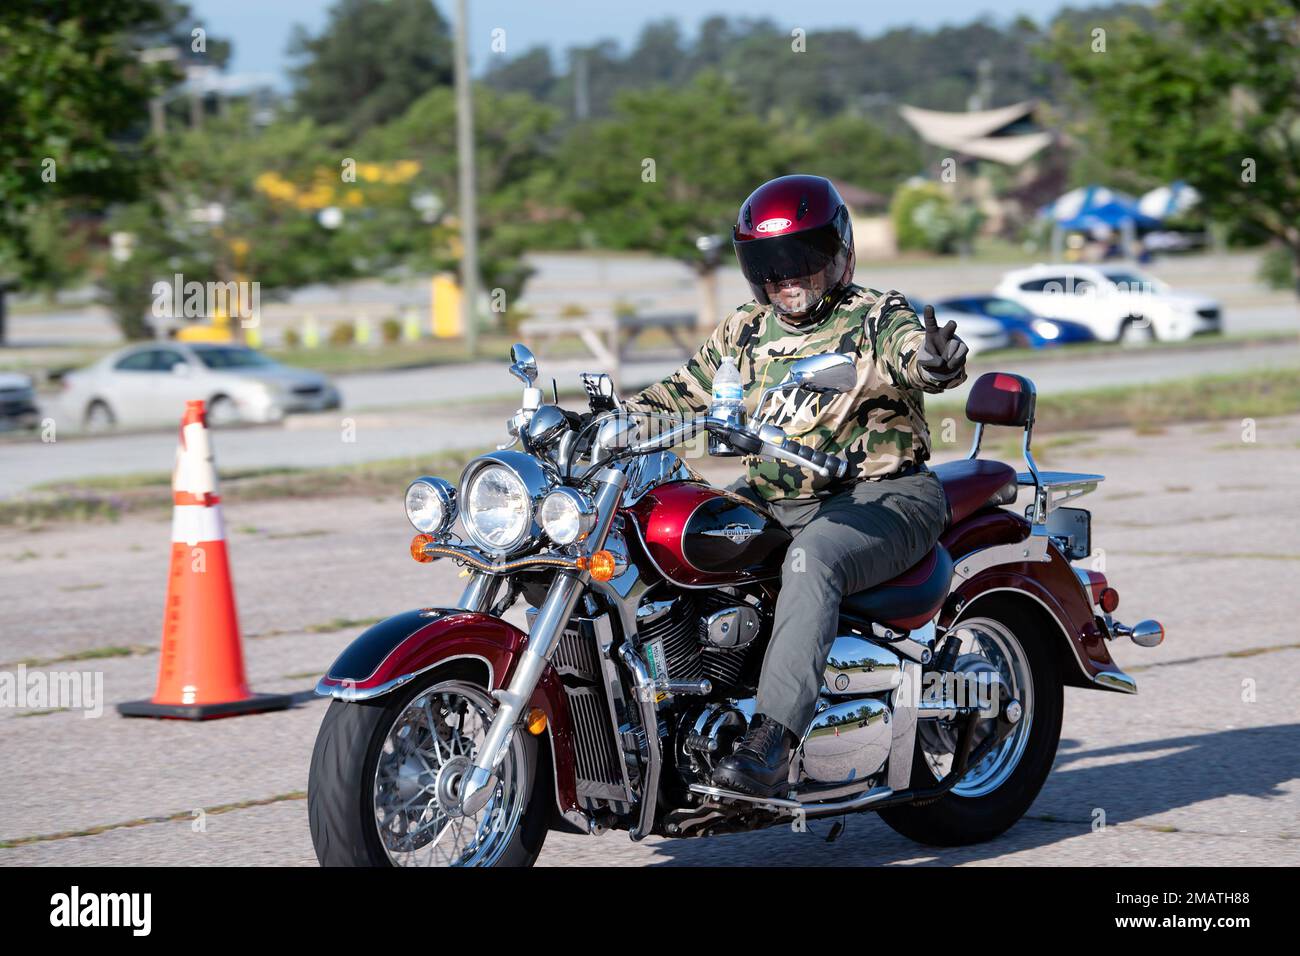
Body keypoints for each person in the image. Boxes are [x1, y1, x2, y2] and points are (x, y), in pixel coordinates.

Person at [620, 174, 969, 796]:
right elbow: (677, 395)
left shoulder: (875, 314)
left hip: (882, 497)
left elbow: (912, 353)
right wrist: (601, 424)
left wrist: (937, 363)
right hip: (774, 498)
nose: (787, 275)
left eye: (802, 257)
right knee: (662, 533)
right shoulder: (743, 331)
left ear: (839, 251)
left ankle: (771, 742)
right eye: (769, 262)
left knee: (811, 561)